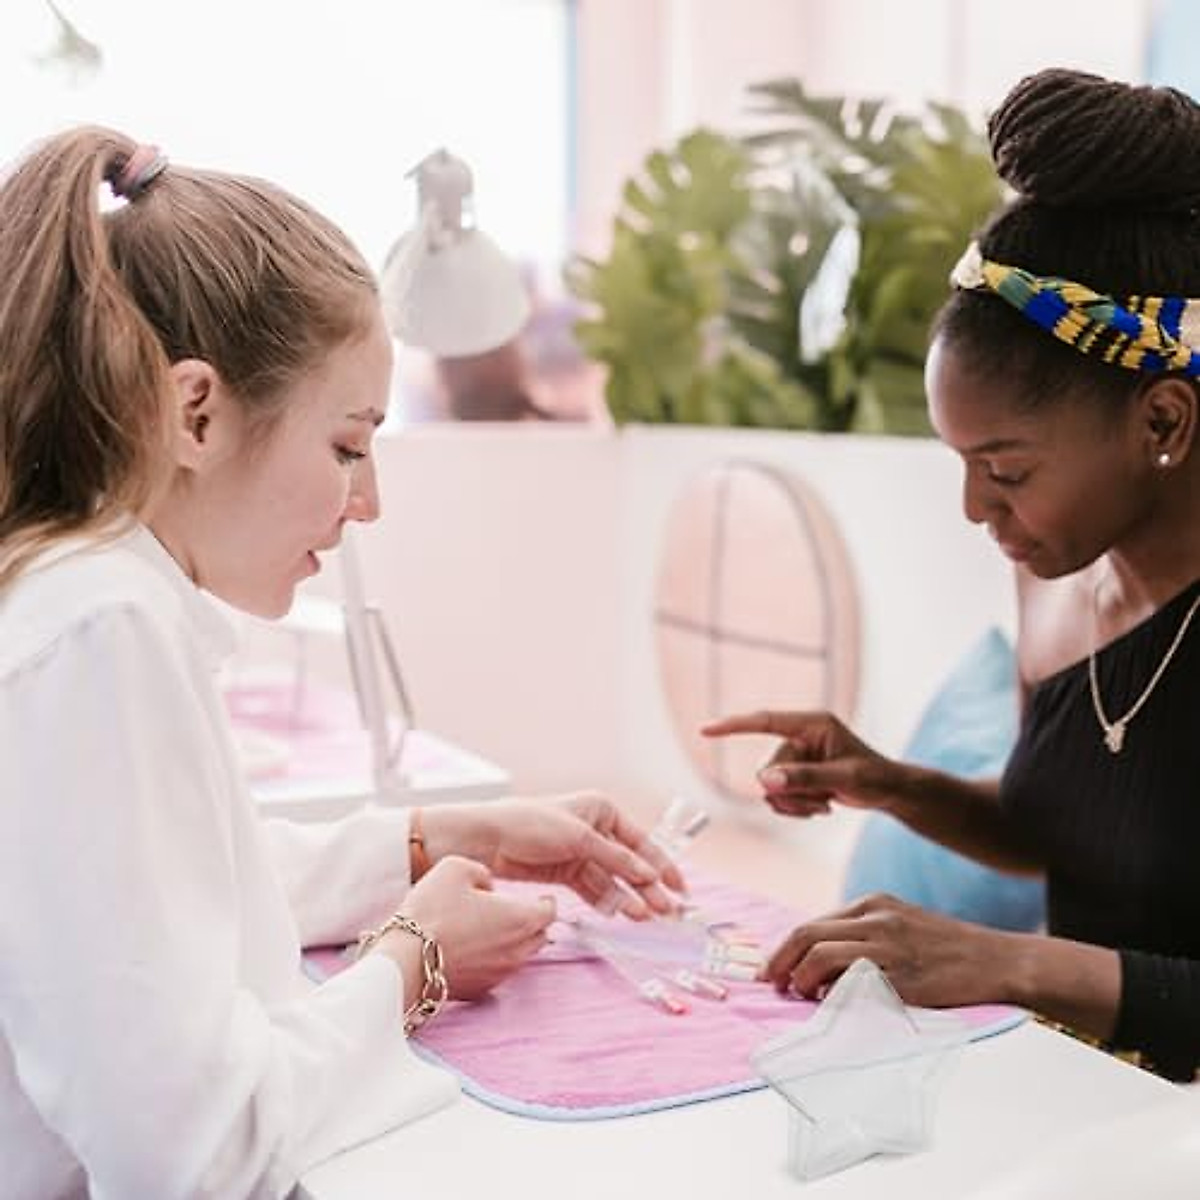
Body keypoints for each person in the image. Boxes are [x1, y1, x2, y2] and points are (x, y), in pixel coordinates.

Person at [0, 128, 683, 1199]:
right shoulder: (101, 634)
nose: (367, 503)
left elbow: (151, 897)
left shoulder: (76, 598)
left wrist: (443, 837)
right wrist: (412, 962)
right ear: (194, 413)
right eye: (348, 446)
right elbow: (196, 1153)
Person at [703, 68, 1200, 1081]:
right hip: (1079, 1090)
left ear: (1161, 419)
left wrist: (1007, 961)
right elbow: (1066, 831)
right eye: (962, 465)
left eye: (1006, 471)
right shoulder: (1058, 580)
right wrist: (889, 782)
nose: (977, 509)